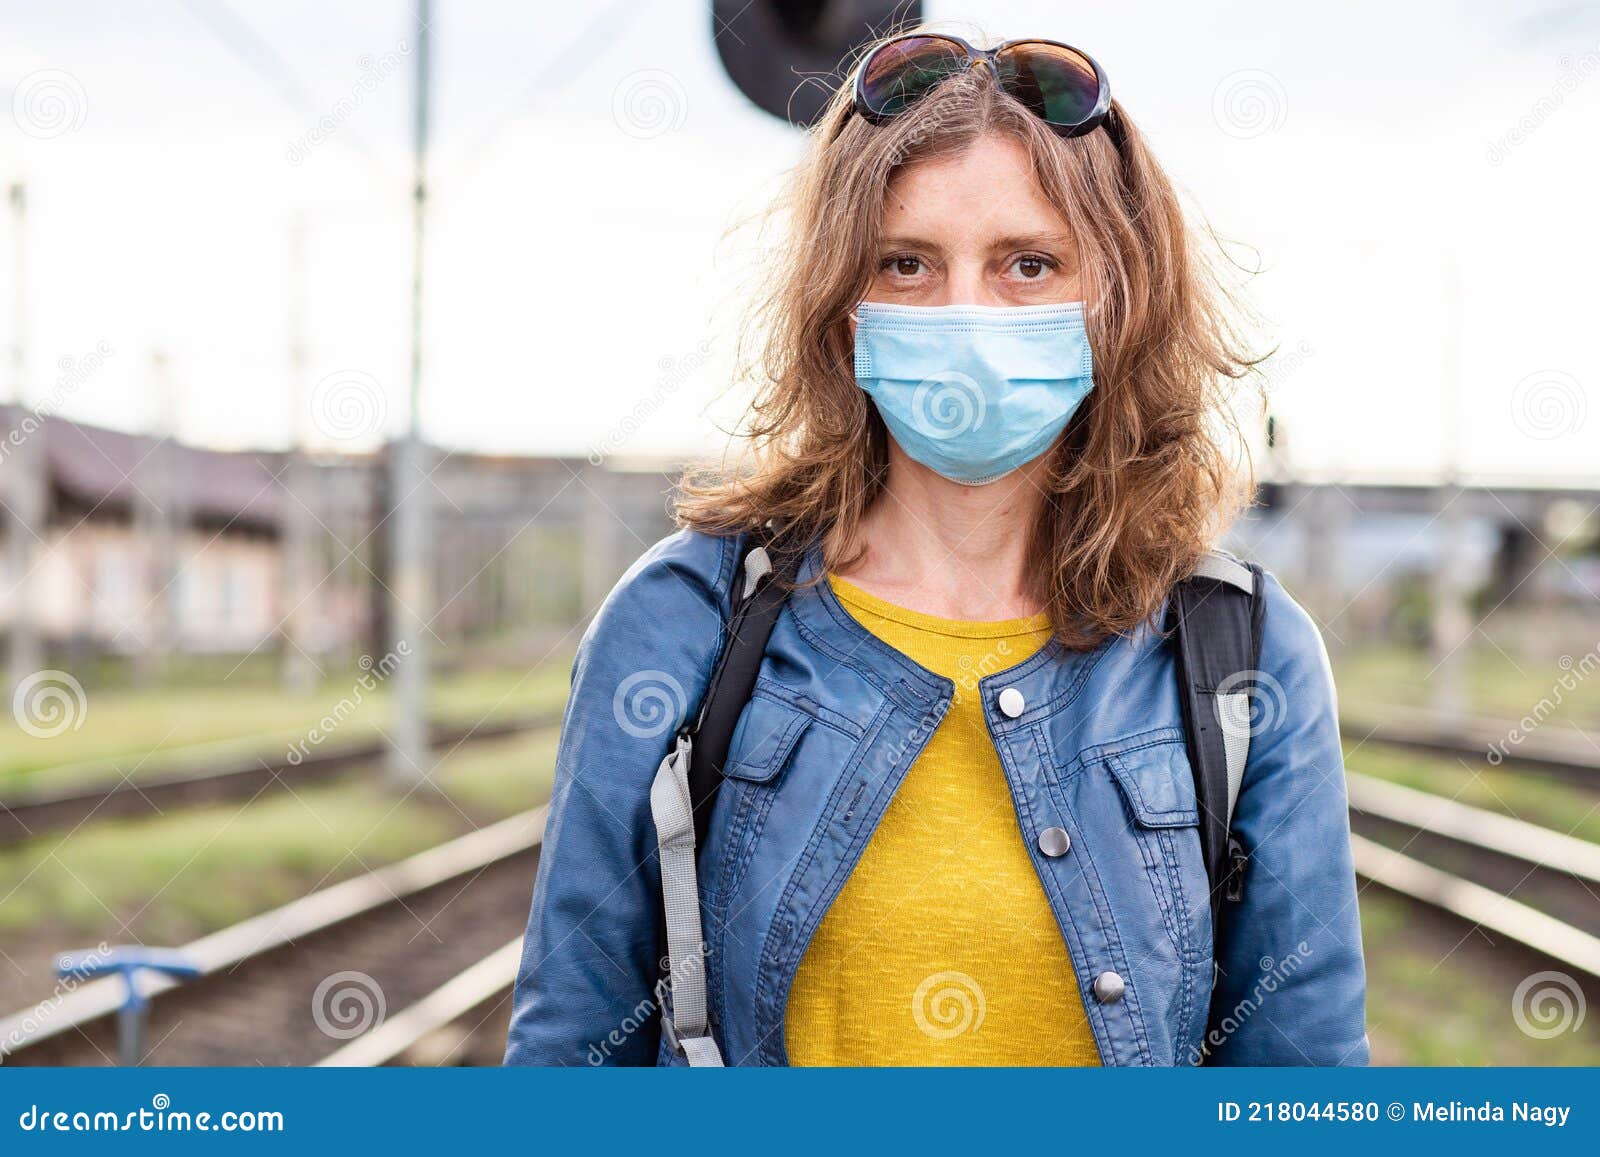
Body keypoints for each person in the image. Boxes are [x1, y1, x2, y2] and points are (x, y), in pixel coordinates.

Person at [504, 28, 1367, 1067]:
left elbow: (1304, 1083)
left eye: (1028, 264)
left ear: (1120, 302)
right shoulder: (685, 620)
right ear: (841, 310)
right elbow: (568, 1058)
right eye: (906, 264)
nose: (964, 312)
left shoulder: (1242, 651)